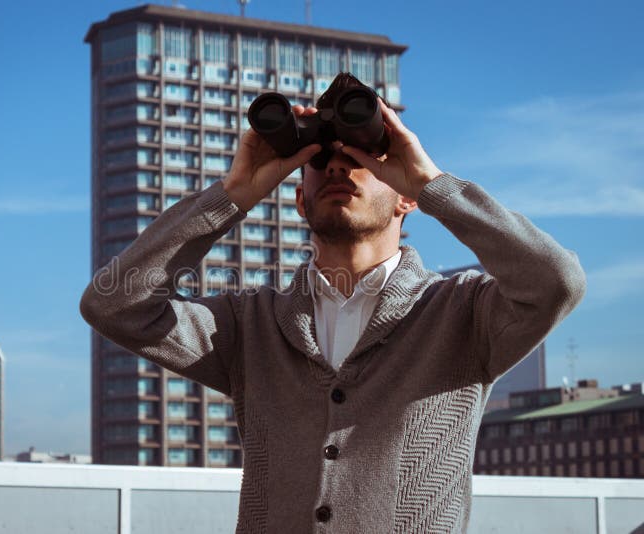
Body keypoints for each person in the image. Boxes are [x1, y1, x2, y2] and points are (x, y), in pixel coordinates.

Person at [80, 72, 586, 533]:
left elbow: (557, 282)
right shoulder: (251, 325)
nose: (340, 166)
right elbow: (115, 305)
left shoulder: (462, 314)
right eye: (321, 159)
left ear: (404, 198)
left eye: (363, 159)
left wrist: (434, 186)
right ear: (300, 201)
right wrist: (231, 195)